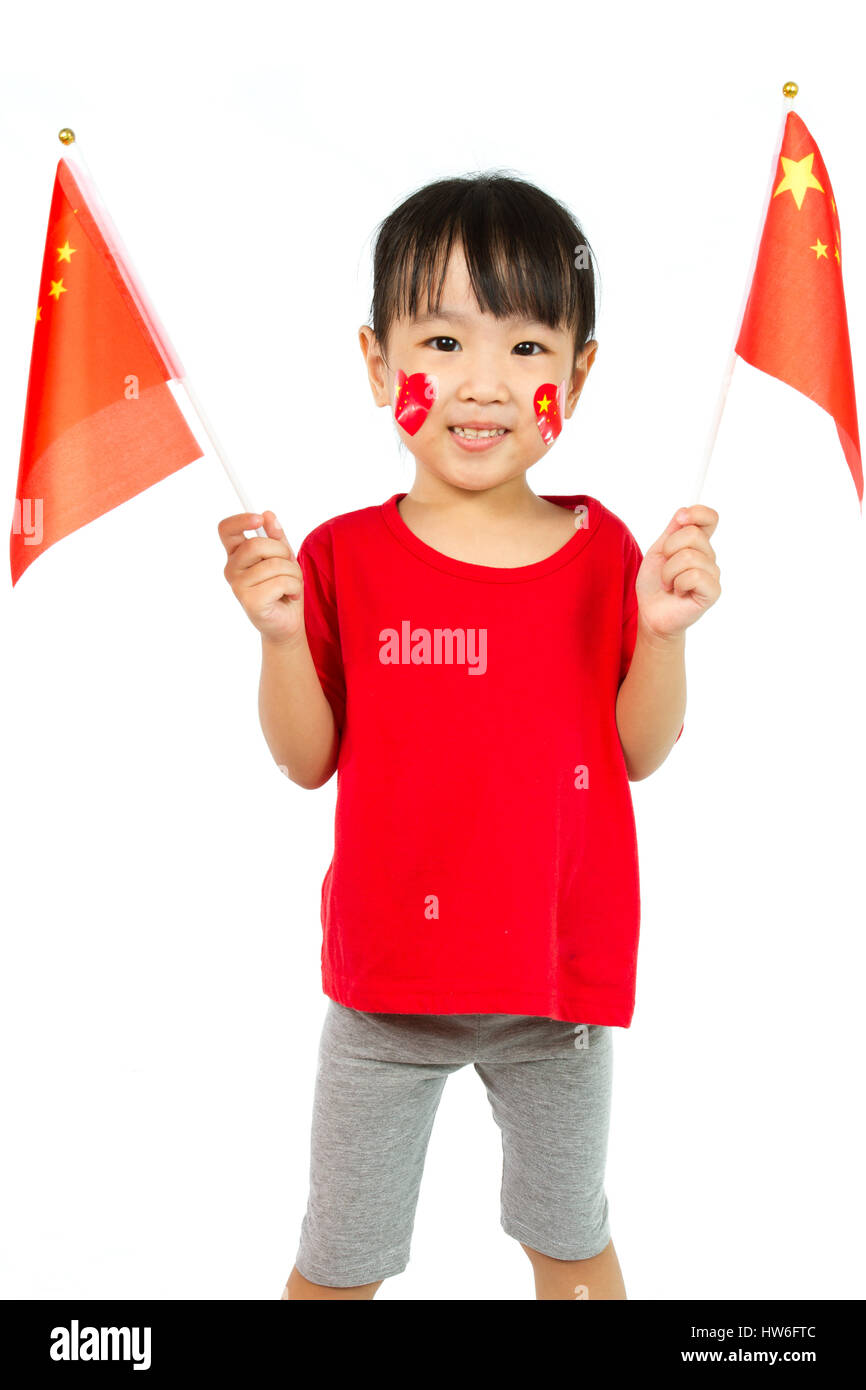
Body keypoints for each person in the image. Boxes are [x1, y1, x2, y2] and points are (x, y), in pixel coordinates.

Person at [218, 173, 721, 1300]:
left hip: (556, 986)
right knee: (338, 1261)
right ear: (376, 361)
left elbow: (638, 750)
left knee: (569, 1237)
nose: (483, 383)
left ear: (577, 375)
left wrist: (662, 632)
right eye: (441, 338)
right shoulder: (340, 556)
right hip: (383, 987)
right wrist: (278, 638)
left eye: (530, 347)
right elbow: (305, 760)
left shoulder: (603, 557)